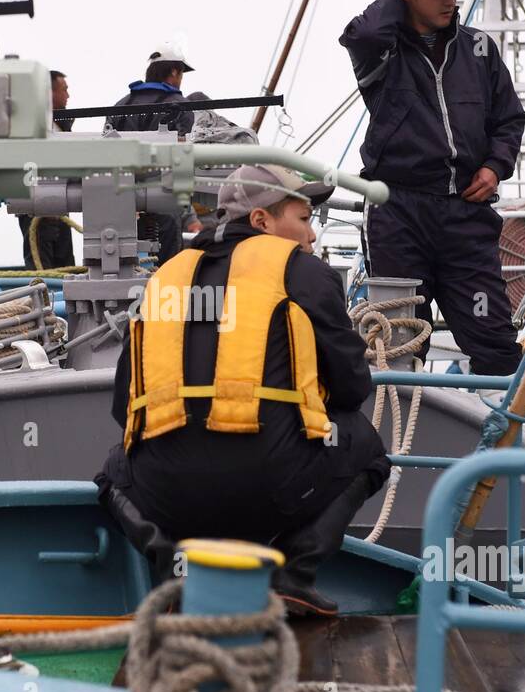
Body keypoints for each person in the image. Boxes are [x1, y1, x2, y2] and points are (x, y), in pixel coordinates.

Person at [94, 164, 390, 616]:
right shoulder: (306, 273)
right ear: (262, 222)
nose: (310, 236)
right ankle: (292, 577)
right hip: (273, 487)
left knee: (112, 473)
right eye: (304, 218)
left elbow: (124, 408)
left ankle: (176, 576)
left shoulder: (164, 279)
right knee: (366, 447)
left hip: (169, 495)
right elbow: (352, 388)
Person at [340, 0, 525, 376]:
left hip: (467, 217)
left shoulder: (479, 50)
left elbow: (510, 119)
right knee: (399, 348)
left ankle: (503, 441)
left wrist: (495, 166)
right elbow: (363, 32)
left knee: (496, 344)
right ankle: (398, 441)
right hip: (399, 215)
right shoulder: (380, 52)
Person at [103, 42, 210, 264]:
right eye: (181, 73)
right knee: (168, 270)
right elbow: (184, 156)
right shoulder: (179, 105)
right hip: (165, 201)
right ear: (173, 72)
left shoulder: (120, 105)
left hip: (119, 203)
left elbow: (106, 152)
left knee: (122, 265)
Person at [17, 70, 76, 269]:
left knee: (66, 267)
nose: (68, 95)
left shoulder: (60, 125)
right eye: (64, 90)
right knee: (41, 268)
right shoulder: (30, 126)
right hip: (37, 212)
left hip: (61, 209)